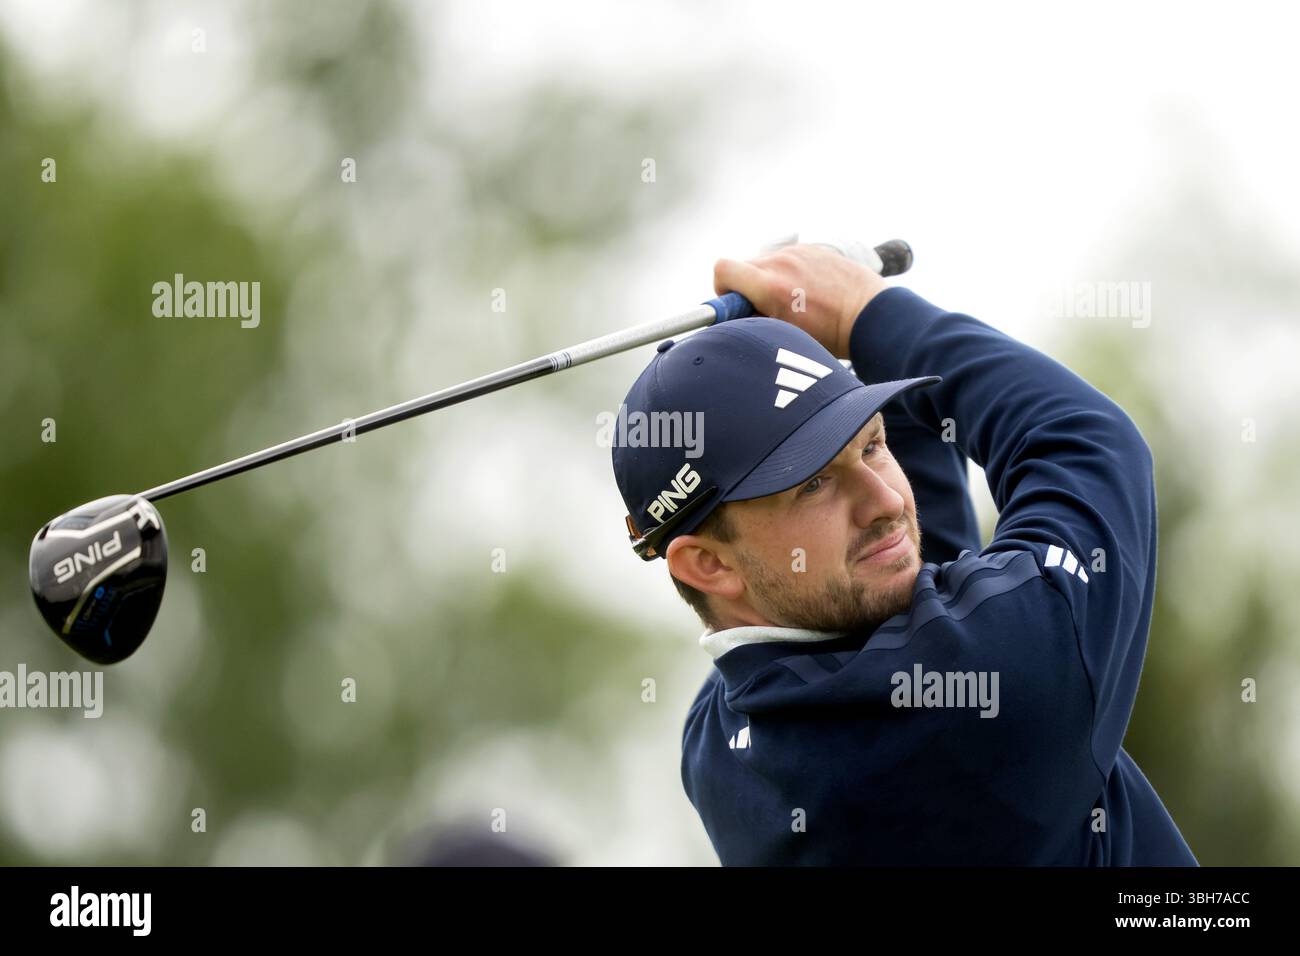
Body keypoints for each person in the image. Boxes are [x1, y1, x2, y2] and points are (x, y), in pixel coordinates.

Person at [610, 244, 1197, 865]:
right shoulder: (996, 685)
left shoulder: (716, 744)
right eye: (812, 483)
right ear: (709, 565)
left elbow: (918, 580)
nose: (884, 499)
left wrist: (813, 354)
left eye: (871, 444)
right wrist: (869, 313)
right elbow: (1085, 439)